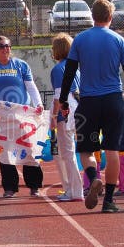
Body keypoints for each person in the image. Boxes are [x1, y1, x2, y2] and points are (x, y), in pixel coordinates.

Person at [59, 0, 124, 213]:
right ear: (110, 17)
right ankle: (109, 201)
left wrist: (63, 102)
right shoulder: (119, 40)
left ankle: (93, 178)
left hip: (88, 102)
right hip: (113, 100)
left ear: (92, 16)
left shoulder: (80, 40)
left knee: (86, 150)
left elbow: (69, 73)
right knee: (112, 150)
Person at [0, 35, 44, 198]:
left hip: (21, 116)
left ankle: (34, 186)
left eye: (8, 46)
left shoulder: (21, 65)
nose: (6, 49)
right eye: (1, 46)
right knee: (4, 152)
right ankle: (10, 188)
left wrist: (38, 104)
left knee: (29, 149)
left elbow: (31, 88)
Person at [49, 33, 83, 201]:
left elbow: (58, 96)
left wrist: (54, 117)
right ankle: (78, 188)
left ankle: (74, 191)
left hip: (66, 109)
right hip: (79, 107)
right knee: (78, 152)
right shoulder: (77, 67)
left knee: (67, 154)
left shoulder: (57, 69)